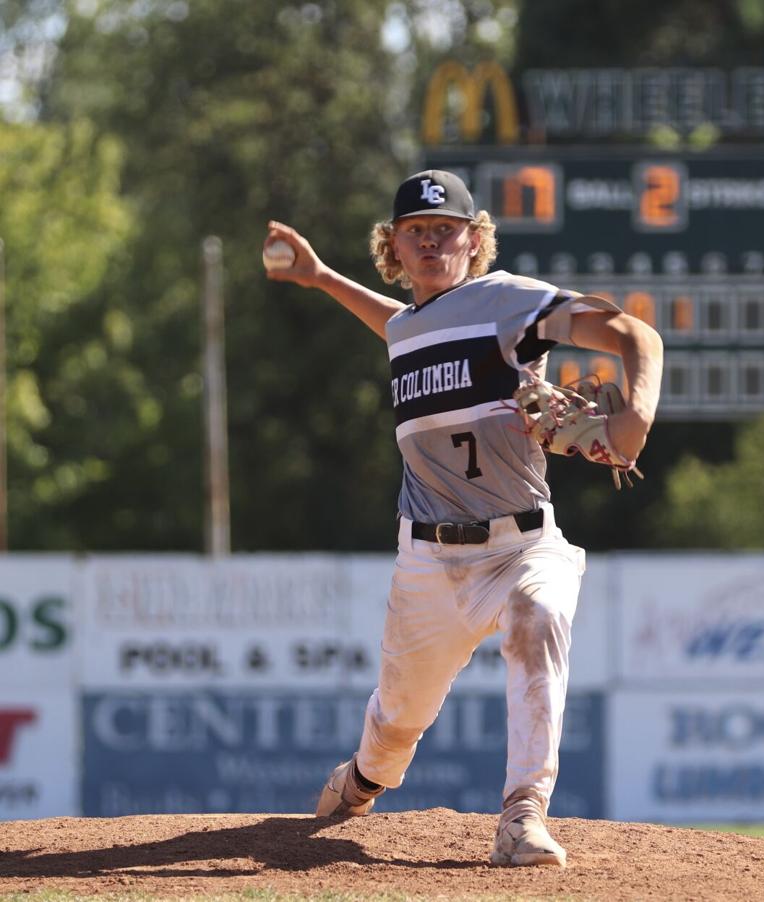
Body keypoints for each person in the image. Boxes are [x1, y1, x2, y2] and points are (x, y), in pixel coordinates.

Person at [263, 169, 663, 867]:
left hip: (523, 545)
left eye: (445, 229)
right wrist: (322, 277)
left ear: (475, 239)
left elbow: (636, 335)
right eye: (414, 232)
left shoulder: (506, 301)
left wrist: (637, 415)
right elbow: (394, 324)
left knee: (538, 621)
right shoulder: (407, 329)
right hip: (428, 562)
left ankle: (523, 815)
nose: (430, 242)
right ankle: (360, 782)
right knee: (394, 728)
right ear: (393, 244)